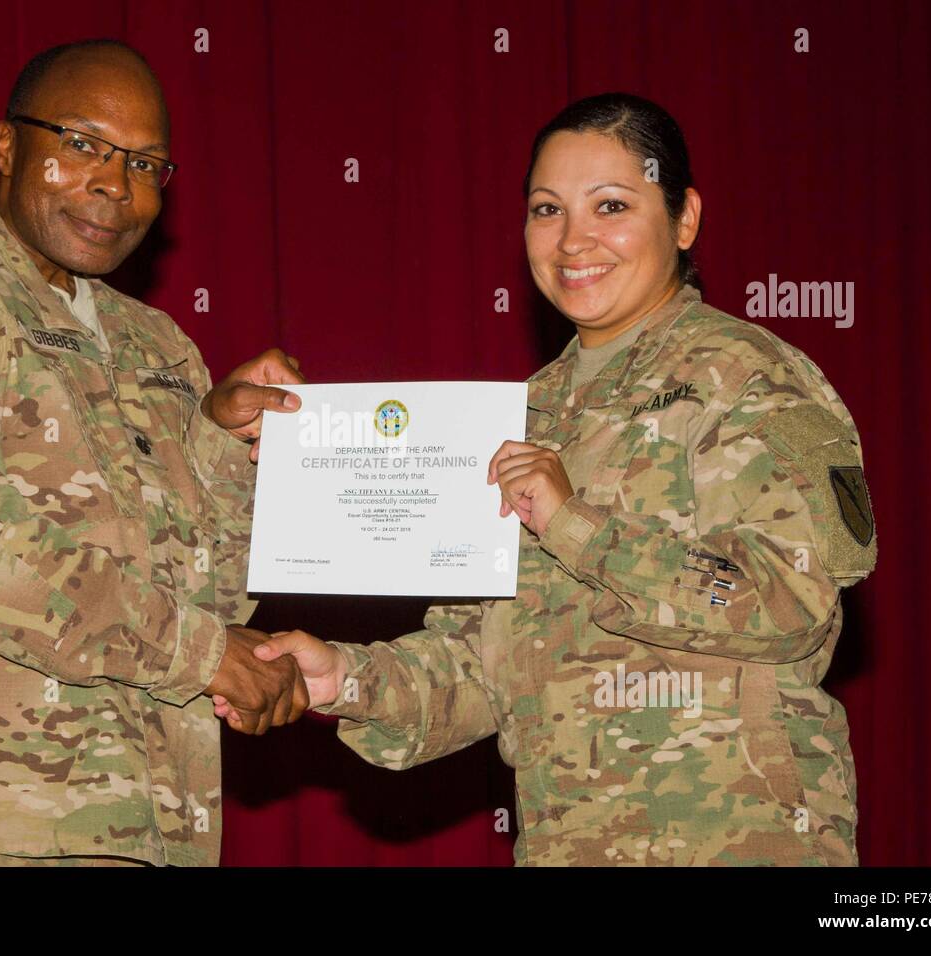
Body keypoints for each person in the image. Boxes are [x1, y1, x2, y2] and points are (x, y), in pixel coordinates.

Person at [219, 92, 877, 866]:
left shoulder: (752, 378)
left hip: (737, 840)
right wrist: (344, 679)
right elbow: (479, 665)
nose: (573, 241)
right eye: (546, 209)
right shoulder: (518, 417)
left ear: (685, 217)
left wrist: (575, 524)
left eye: (610, 205)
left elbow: (795, 600)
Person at [0, 38, 308, 867]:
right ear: (9, 146)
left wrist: (224, 449)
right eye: (82, 144)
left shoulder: (159, 346)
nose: (116, 183)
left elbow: (209, 595)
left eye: (148, 164)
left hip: (148, 830)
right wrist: (200, 653)